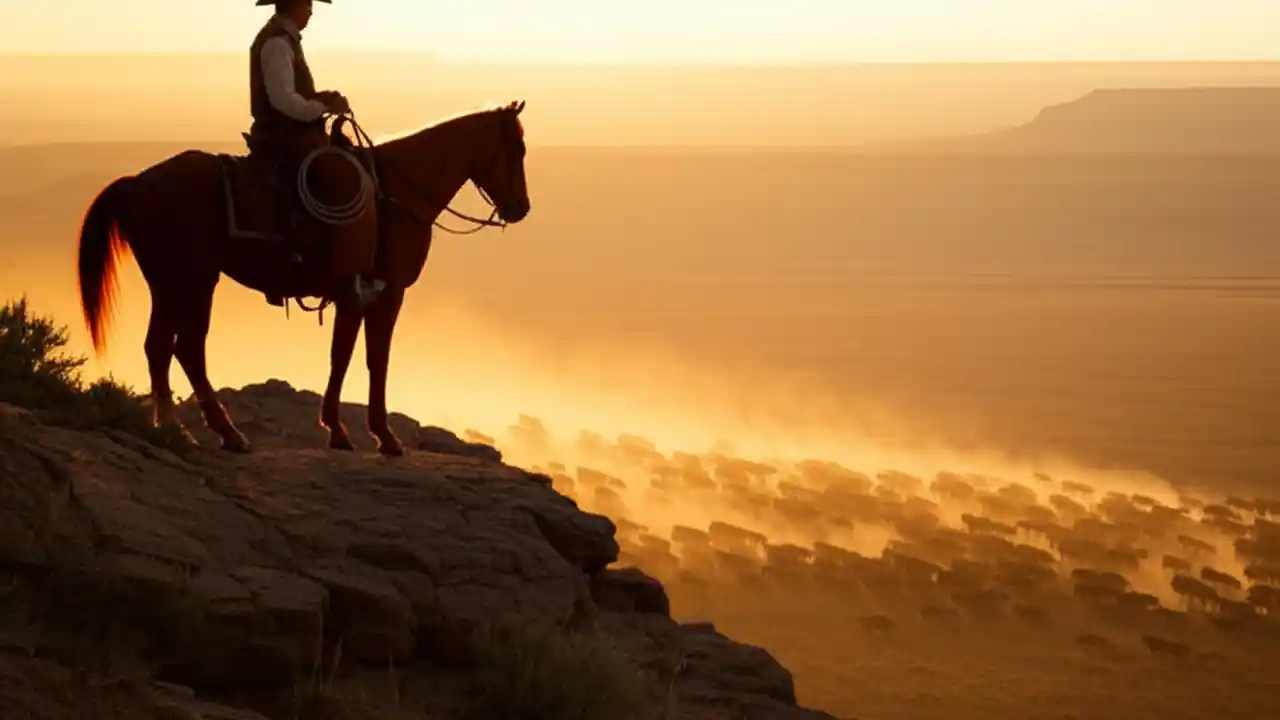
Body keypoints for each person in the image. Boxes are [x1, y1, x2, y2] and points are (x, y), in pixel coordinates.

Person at [248, 0, 383, 307]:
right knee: (342, 182)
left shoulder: (282, 40)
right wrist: (321, 107)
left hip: (289, 132)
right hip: (285, 136)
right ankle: (344, 277)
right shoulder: (277, 44)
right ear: (294, 6)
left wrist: (322, 99)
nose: (311, 11)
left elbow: (291, 95)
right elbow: (284, 100)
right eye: (307, 4)